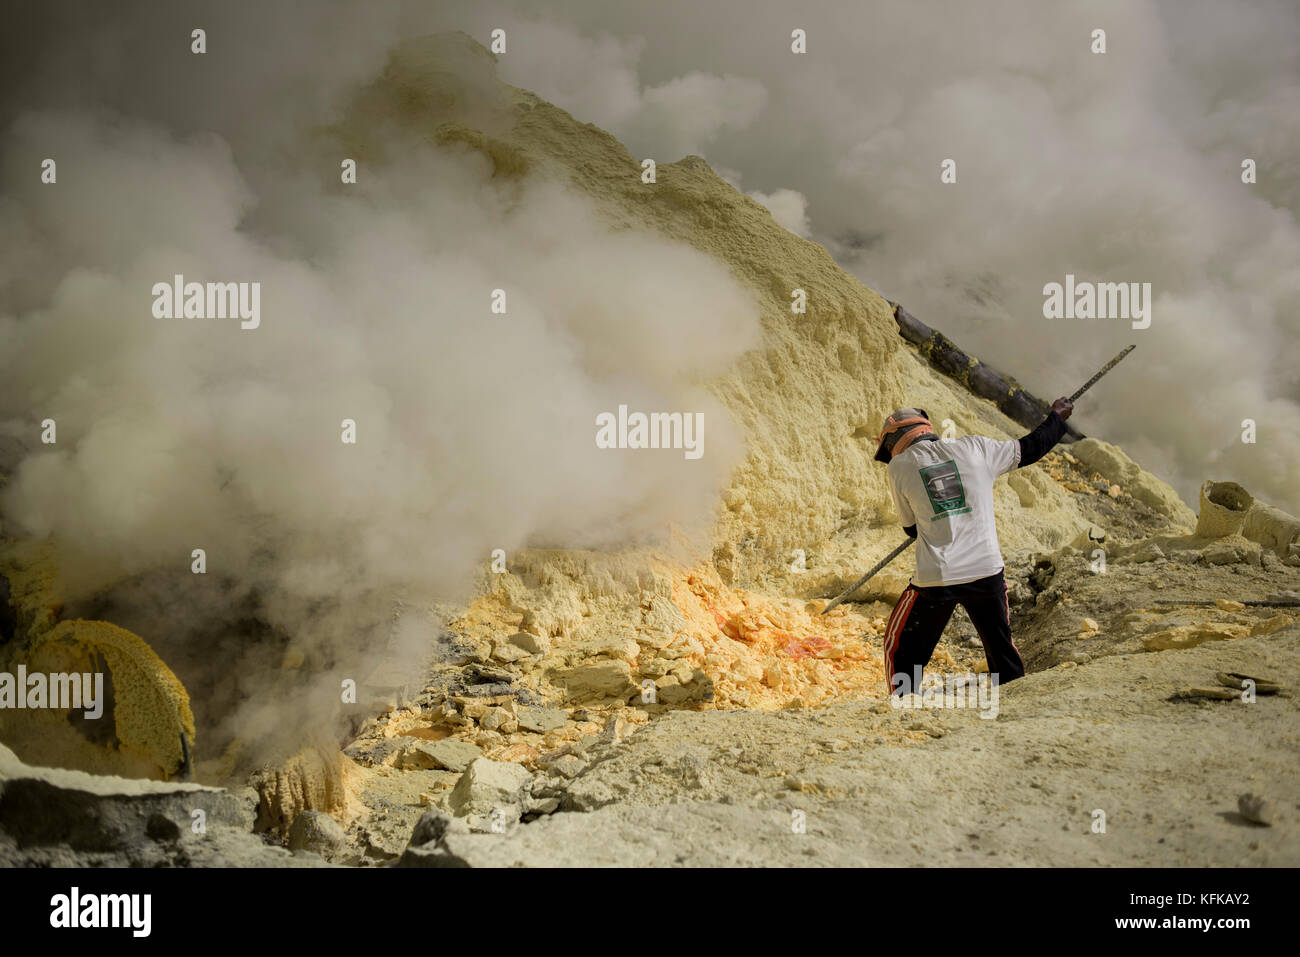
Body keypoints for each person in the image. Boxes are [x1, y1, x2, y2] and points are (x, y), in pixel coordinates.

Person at [874, 398, 1074, 695]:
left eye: (888, 450)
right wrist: (1057, 418)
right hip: (986, 570)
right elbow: (1031, 447)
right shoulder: (976, 447)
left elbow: (911, 528)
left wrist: (937, 518)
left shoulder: (900, 467)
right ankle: (1015, 701)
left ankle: (902, 707)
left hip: (937, 577)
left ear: (894, 441)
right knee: (1000, 649)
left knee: (901, 650)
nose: (889, 456)